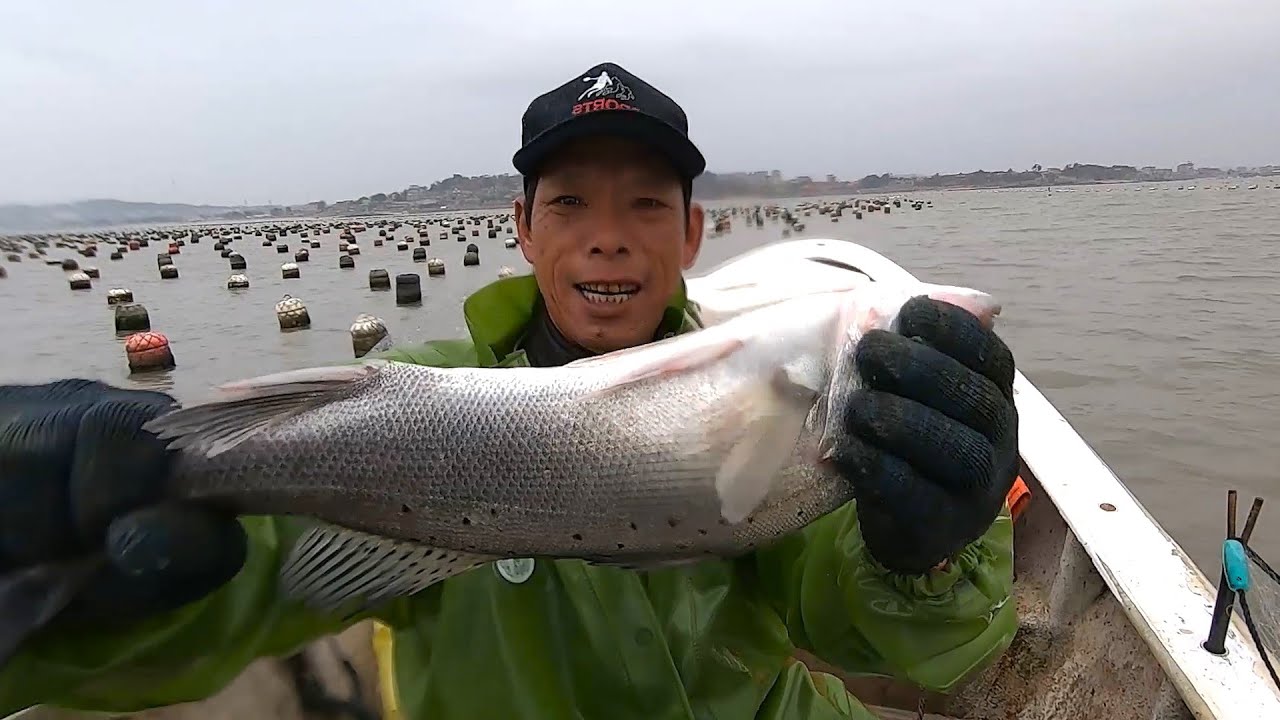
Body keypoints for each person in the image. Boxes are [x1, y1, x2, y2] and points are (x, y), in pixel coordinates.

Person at [0, 62, 1020, 720]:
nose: (607, 237)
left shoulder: (794, 408)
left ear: (692, 233)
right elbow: (254, 582)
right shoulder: (429, 387)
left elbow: (881, 638)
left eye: (645, 205)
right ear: (523, 229)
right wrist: (78, 584)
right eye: (569, 202)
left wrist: (928, 559)